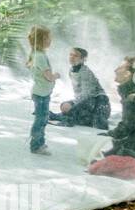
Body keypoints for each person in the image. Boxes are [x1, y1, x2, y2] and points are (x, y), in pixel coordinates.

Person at [49, 47, 111, 129]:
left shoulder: (85, 72)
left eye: (76, 56)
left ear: (83, 59)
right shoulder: (71, 70)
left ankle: (69, 119)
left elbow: (87, 95)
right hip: (86, 101)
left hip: (98, 102)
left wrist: (74, 106)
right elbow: (78, 93)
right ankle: (74, 117)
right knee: (65, 106)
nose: (72, 57)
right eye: (71, 55)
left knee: (74, 111)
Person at [27, 26, 59, 156]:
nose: (50, 40)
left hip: (41, 92)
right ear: (41, 40)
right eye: (48, 38)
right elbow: (49, 76)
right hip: (41, 94)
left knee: (42, 118)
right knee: (41, 120)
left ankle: (39, 142)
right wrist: (57, 75)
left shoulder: (37, 54)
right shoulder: (40, 56)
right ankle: (36, 145)